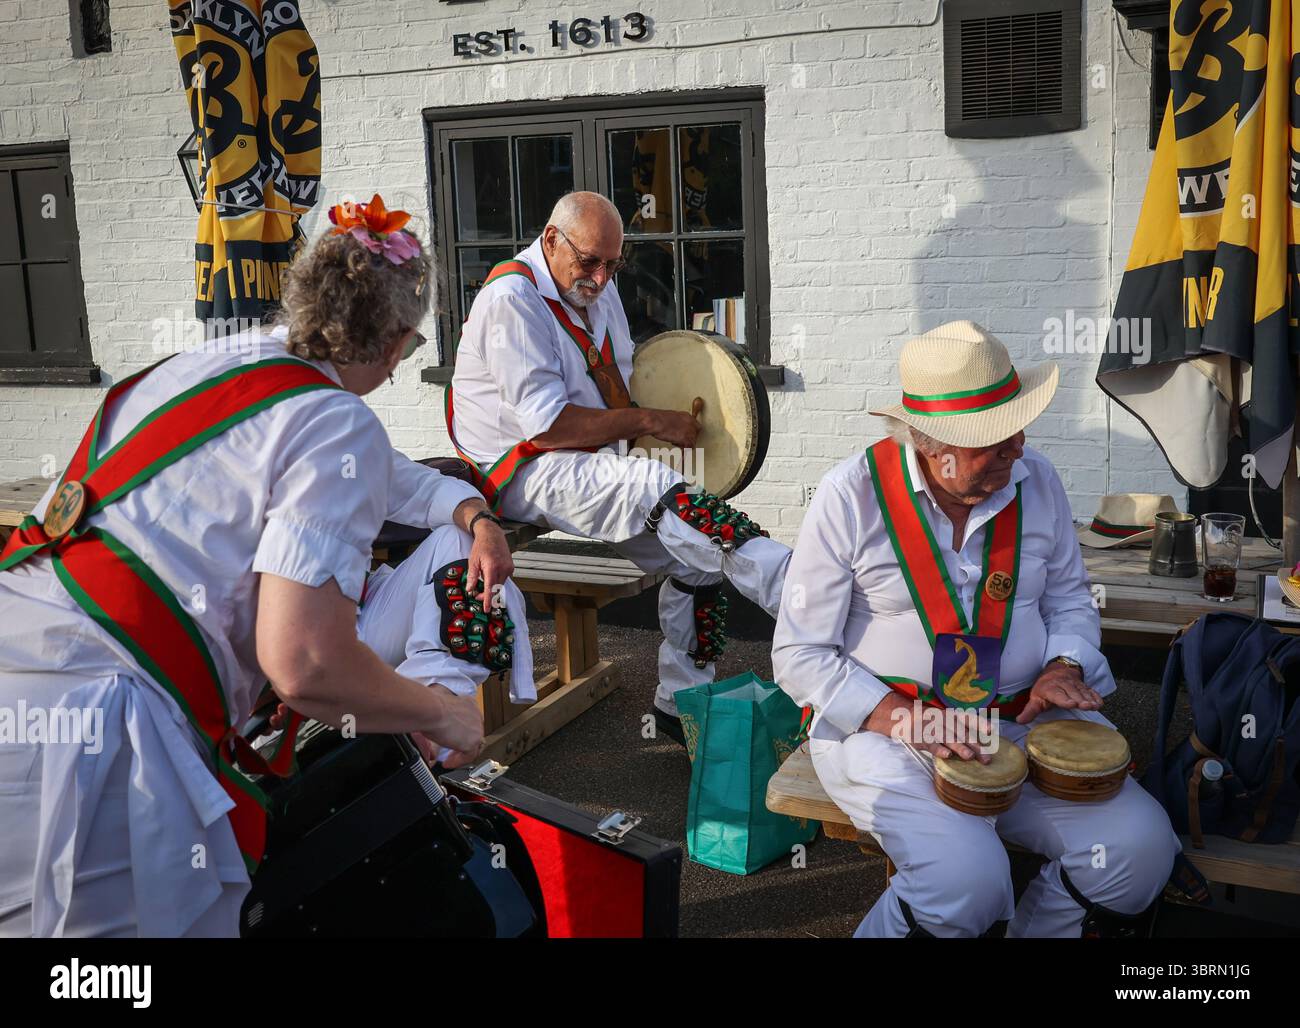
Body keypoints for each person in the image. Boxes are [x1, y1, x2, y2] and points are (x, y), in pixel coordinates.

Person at [0, 195, 522, 937]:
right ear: (399, 342)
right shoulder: (337, 419)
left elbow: (375, 476)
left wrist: (471, 513)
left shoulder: (213, 364)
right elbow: (307, 664)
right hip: (99, 737)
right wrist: (447, 714)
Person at [771, 320, 1180, 938]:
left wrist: (1063, 664)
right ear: (938, 450)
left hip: (1020, 722)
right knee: (966, 878)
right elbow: (800, 653)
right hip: (888, 735)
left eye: (1018, 428)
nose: (1020, 447)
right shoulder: (849, 497)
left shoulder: (1037, 479)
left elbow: (1070, 599)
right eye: (999, 439)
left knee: (1142, 849)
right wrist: (903, 719)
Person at [447, 191, 790, 741]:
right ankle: (797, 588)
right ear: (552, 240)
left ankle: (680, 706)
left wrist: (656, 417)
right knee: (654, 486)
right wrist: (651, 423)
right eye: (590, 262)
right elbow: (548, 426)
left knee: (696, 562)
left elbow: (625, 385)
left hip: (586, 459)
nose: (603, 279)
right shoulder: (511, 300)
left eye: (614, 264)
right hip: (521, 469)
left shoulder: (595, 290)